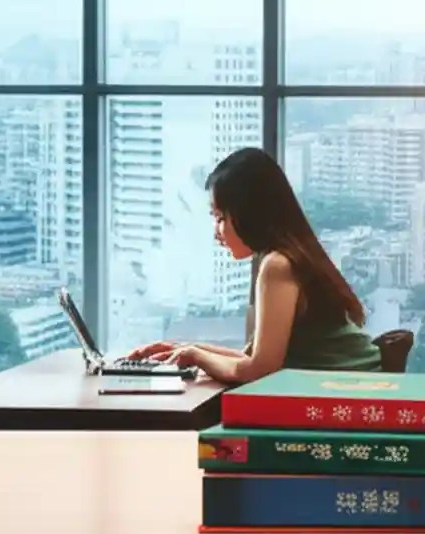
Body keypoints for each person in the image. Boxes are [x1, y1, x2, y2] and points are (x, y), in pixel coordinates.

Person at [126, 147, 382, 384]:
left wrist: (195, 355)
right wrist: (185, 349)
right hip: (351, 389)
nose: (217, 232)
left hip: (345, 398)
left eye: (220, 218)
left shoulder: (278, 265)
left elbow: (260, 371)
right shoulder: (291, 255)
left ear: (250, 212)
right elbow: (255, 359)